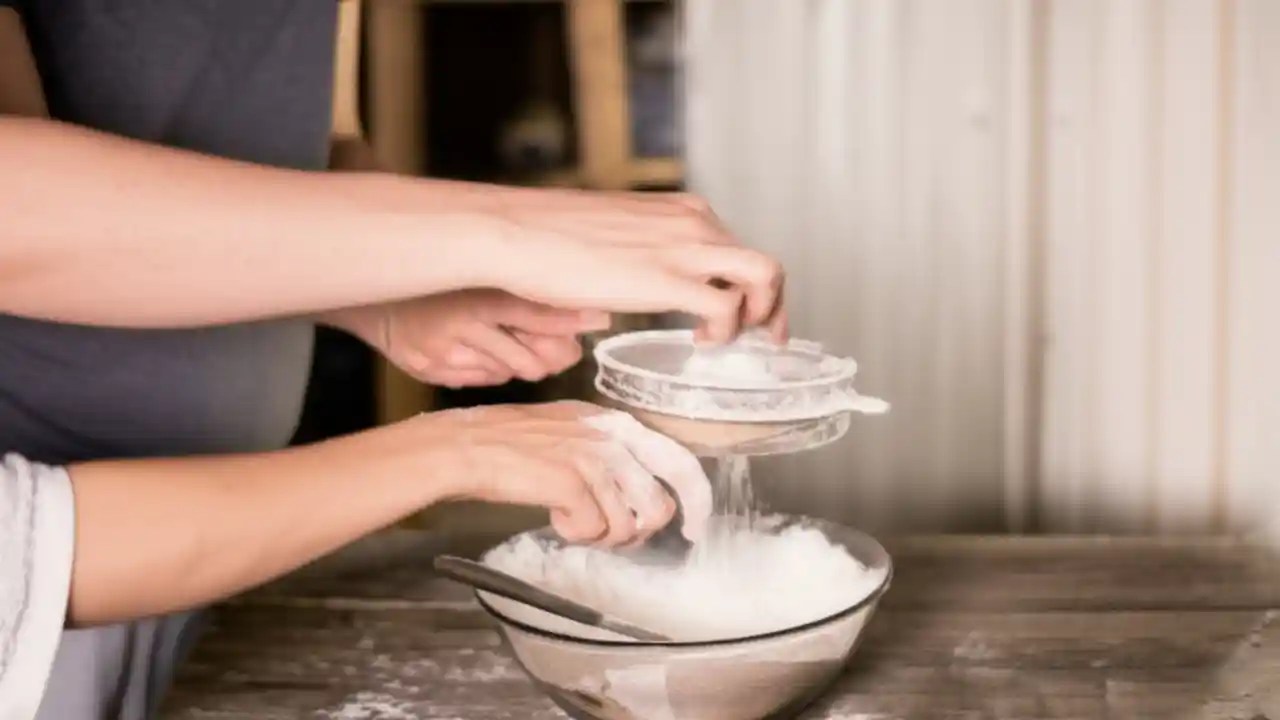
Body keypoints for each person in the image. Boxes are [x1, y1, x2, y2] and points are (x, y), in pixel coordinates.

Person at [0, 2, 786, 719]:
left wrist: (379, 291)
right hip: (64, 572)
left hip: (218, 548)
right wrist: (506, 230)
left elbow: (294, 126)